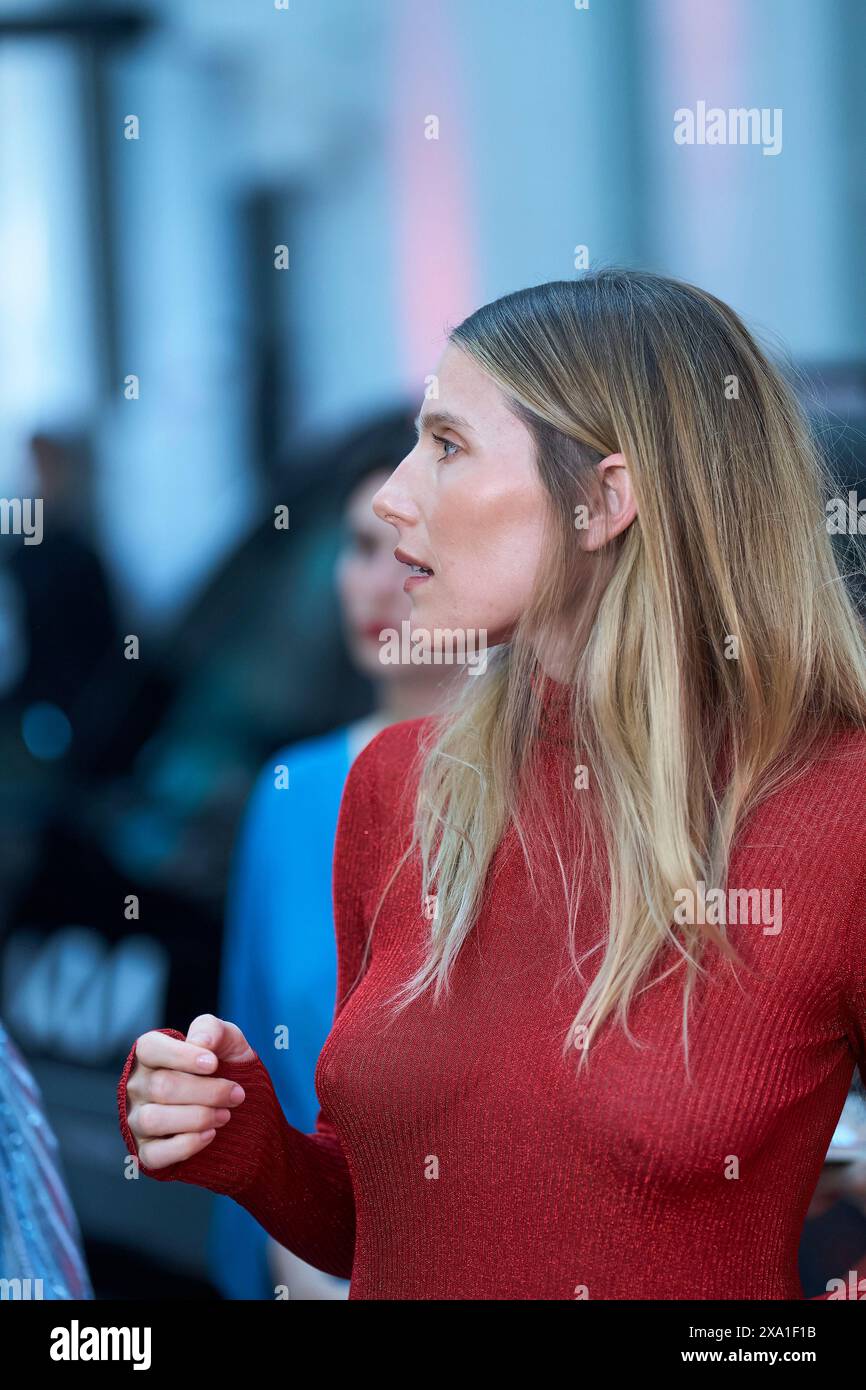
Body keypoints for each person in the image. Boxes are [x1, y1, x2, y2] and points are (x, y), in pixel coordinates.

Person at [116, 270, 866, 1299]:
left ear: (603, 500)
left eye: (448, 446)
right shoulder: (396, 785)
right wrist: (248, 1146)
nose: (390, 497)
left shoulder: (839, 808)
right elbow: (387, 1220)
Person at [207, 412, 461, 1299]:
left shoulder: (561, 784)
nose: (376, 584)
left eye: (409, 549)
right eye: (358, 545)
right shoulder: (293, 790)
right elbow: (248, 1071)